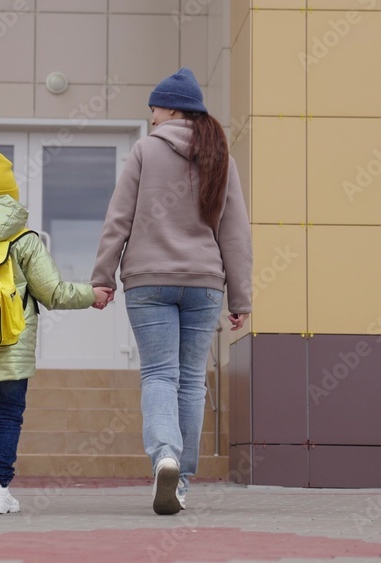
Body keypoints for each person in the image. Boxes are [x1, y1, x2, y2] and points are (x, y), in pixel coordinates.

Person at [91, 68, 252, 515]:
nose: (152, 117)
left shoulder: (145, 151)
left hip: (149, 280)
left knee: (160, 374)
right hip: (204, 284)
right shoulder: (222, 157)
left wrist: (102, 277)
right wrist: (241, 298)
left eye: (155, 108)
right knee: (190, 381)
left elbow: (118, 218)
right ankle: (179, 478)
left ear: (174, 108)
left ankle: (164, 453)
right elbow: (235, 233)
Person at [0, 152, 113, 515]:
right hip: (13, 346)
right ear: (11, 192)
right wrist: (93, 294)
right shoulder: (25, 240)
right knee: (8, 416)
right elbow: (53, 292)